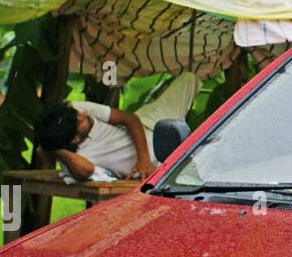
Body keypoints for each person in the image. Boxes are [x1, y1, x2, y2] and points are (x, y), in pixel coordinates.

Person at [35, 71, 199, 182]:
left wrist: (143, 160)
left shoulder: (75, 109)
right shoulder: (77, 159)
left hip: (148, 122)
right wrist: (55, 149)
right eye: (81, 122)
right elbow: (84, 171)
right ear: (75, 140)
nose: (83, 115)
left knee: (189, 78)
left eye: (79, 114)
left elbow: (130, 119)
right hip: (158, 159)